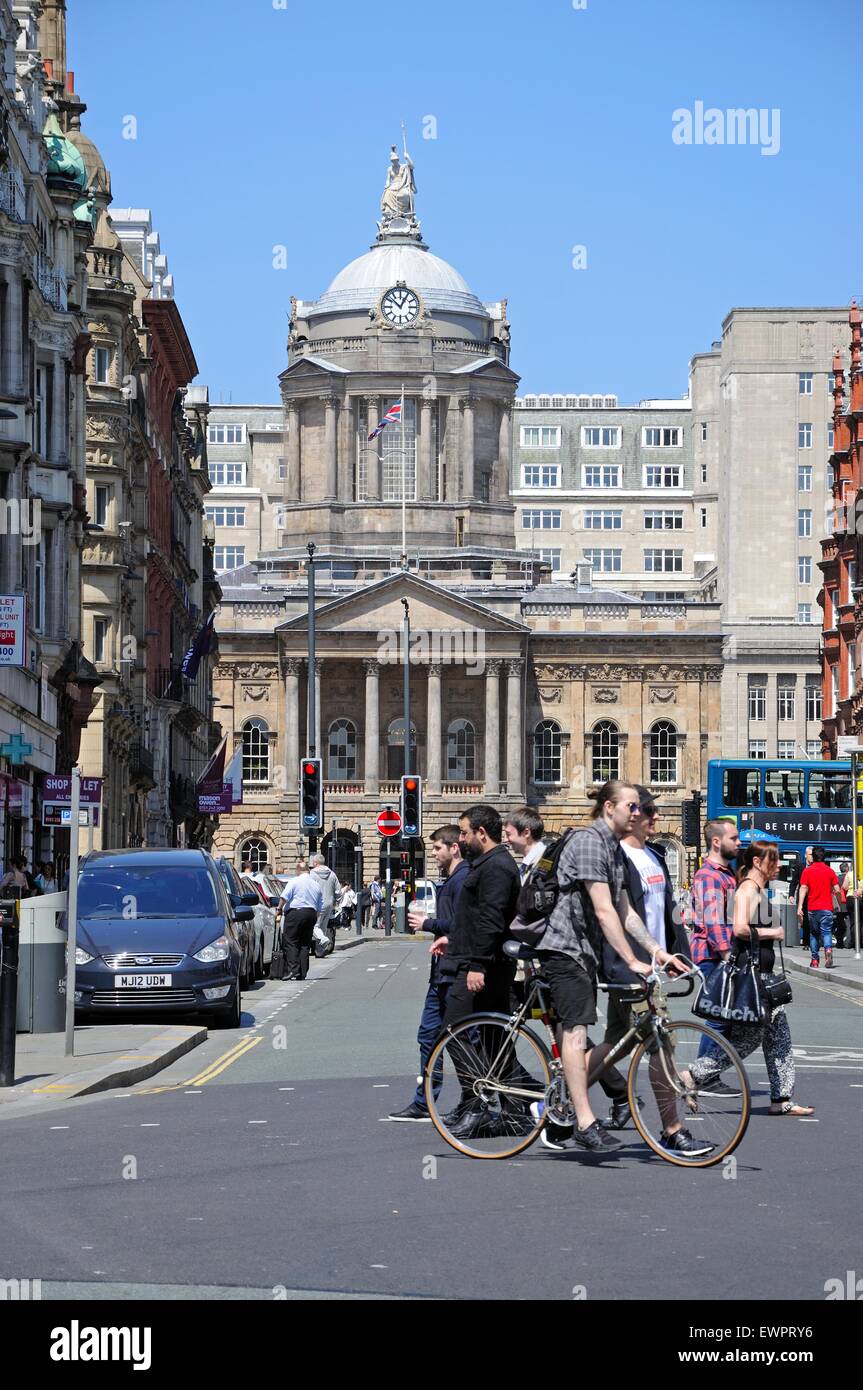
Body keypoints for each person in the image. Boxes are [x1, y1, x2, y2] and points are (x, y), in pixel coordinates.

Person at [532, 781, 686, 1155]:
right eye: (631, 806)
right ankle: (584, 1121)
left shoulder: (614, 850)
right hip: (562, 947)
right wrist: (631, 959)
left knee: (612, 1039)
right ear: (608, 808)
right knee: (576, 1029)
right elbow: (603, 909)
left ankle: (561, 1103)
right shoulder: (588, 842)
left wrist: (655, 951)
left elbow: (625, 911)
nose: (637, 813)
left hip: (584, 952)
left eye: (638, 808)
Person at [504, 804, 630, 1151]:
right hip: (556, 954)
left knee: (572, 1033)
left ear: (526, 832)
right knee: (573, 1032)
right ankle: (571, 1111)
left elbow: (608, 909)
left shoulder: (557, 854)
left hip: (563, 953)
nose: (507, 839)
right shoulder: (567, 852)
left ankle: (562, 1108)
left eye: (510, 833)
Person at [587, 785, 695, 1136]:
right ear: (630, 816)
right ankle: (672, 1130)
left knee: (618, 1043)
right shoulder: (617, 857)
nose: (655, 817)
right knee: (660, 1044)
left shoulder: (657, 856)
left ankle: (558, 1097)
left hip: (653, 966)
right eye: (649, 811)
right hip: (629, 965)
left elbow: (668, 912)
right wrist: (643, 956)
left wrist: (675, 953)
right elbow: (621, 913)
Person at [689, 840, 814, 1117]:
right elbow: (740, 928)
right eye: (774, 860)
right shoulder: (746, 889)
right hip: (753, 976)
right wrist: (774, 933)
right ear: (758, 862)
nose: (779, 865)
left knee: (778, 1037)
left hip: (763, 976)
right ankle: (693, 1076)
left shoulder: (757, 889)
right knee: (747, 1040)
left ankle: (781, 1099)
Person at [430, 805, 521, 1140]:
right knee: (495, 1040)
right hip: (475, 959)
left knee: (452, 1030)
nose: (462, 838)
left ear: (482, 833)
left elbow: (492, 920)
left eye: (465, 832)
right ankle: (515, 1106)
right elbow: (475, 917)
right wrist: (451, 938)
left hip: (483, 966)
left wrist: (477, 964)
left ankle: (477, 1104)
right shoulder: (488, 863)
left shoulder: (496, 866)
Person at [388, 826, 469, 1122]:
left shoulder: (463, 880)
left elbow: (464, 923)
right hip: (441, 973)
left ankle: (473, 1102)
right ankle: (425, 1102)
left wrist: (430, 925)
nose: (433, 854)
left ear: (454, 848)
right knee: (429, 1036)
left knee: (461, 1040)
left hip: (456, 973)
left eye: (437, 848)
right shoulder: (452, 880)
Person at [689, 818, 744, 1073]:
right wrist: (727, 955)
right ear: (716, 841)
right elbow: (714, 922)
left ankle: (706, 1074)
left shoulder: (727, 874)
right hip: (713, 956)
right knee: (718, 1017)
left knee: (725, 1017)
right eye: (733, 838)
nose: (739, 842)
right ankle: (702, 1076)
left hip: (721, 955)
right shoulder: (710, 875)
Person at [276, 860, 324, 980]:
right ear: (308, 870)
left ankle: (293, 969)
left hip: (295, 913)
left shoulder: (294, 881)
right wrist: (315, 916)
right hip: (311, 913)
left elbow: (284, 897)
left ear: (298, 870)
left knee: (291, 941)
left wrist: (279, 909)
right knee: (305, 943)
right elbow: (320, 904)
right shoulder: (316, 884)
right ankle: (303, 972)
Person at [798, 845, 841, 968]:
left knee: (814, 934)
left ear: (813, 857)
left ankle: (815, 960)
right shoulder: (830, 871)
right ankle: (828, 950)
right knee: (827, 932)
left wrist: (800, 906)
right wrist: (837, 903)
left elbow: (803, 888)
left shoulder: (807, 871)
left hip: (812, 908)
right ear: (824, 857)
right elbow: (837, 890)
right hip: (827, 908)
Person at [309, 852, 341, 953]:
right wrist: (336, 902)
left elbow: (308, 889)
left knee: (314, 927)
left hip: (317, 904)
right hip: (329, 904)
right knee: (322, 927)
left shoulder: (312, 874)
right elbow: (338, 892)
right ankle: (320, 951)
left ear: (315, 863)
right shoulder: (332, 874)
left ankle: (324, 940)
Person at [789, 846, 813, 948]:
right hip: (803, 897)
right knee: (805, 920)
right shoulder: (800, 866)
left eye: (813, 855)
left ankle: (815, 942)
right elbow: (794, 882)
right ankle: (807, 942)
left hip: (814, 896)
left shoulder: (818, 866)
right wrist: (791, 895)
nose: (812, 857)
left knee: (815, 919)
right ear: (805, 855)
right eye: (810, 855)